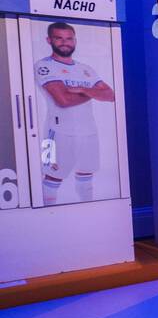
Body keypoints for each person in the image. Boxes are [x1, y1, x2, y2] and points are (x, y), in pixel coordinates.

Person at [35, 21, 115, 205]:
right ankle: (49, 217)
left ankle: (87, 212)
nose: (65, 42)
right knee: (52, 178)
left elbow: (111, 95)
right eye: (59, 38)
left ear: (75, 41)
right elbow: (63, 101)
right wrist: (91, 92)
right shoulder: (43, 66)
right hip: (56, 132)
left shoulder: (85, 69)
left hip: (88, 132)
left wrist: (81, 89)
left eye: (69, 38)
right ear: (49, 40)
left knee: (86, 175)